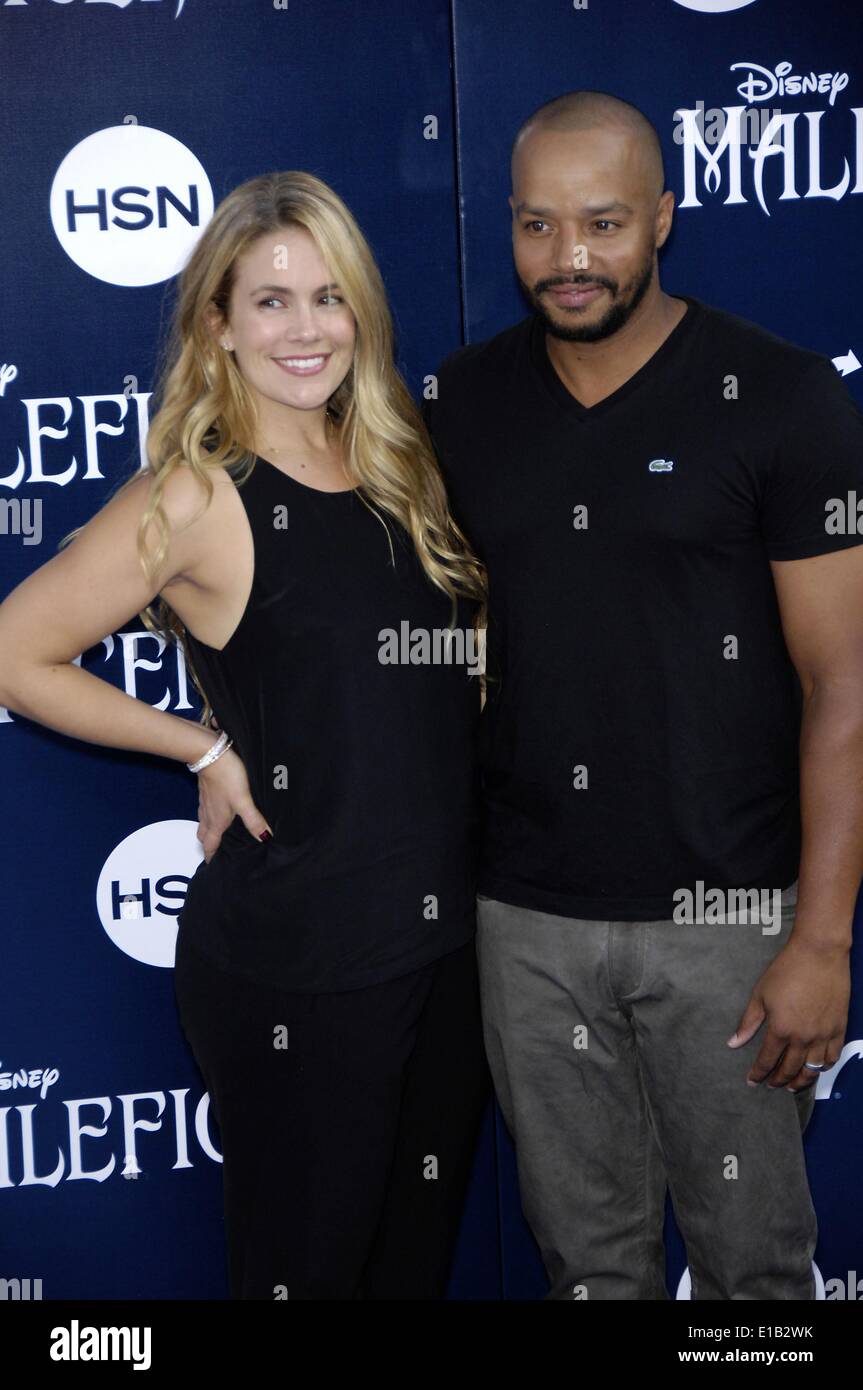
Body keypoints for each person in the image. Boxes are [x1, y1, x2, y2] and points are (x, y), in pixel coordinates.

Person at [0, 171, 491, 1300]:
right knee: (305, 1274)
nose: (305, 327)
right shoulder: (199, 492)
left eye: (328, 295)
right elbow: (17, 650)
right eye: (268, 301)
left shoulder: (397, 461)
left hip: (443, 950)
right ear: (215, 322)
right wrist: (204, 749)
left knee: (406, 1270)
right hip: (300, 965)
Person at [421, 90, 863, 1300]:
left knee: (753, 1272)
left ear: (662, 218)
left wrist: (818, 940)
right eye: (536, 226)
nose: (568, 259)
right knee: (586, 1268)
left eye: (603, 223)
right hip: (524, 923)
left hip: (725, 921)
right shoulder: (454, 408)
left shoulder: (780, 398)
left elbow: (845, 685)